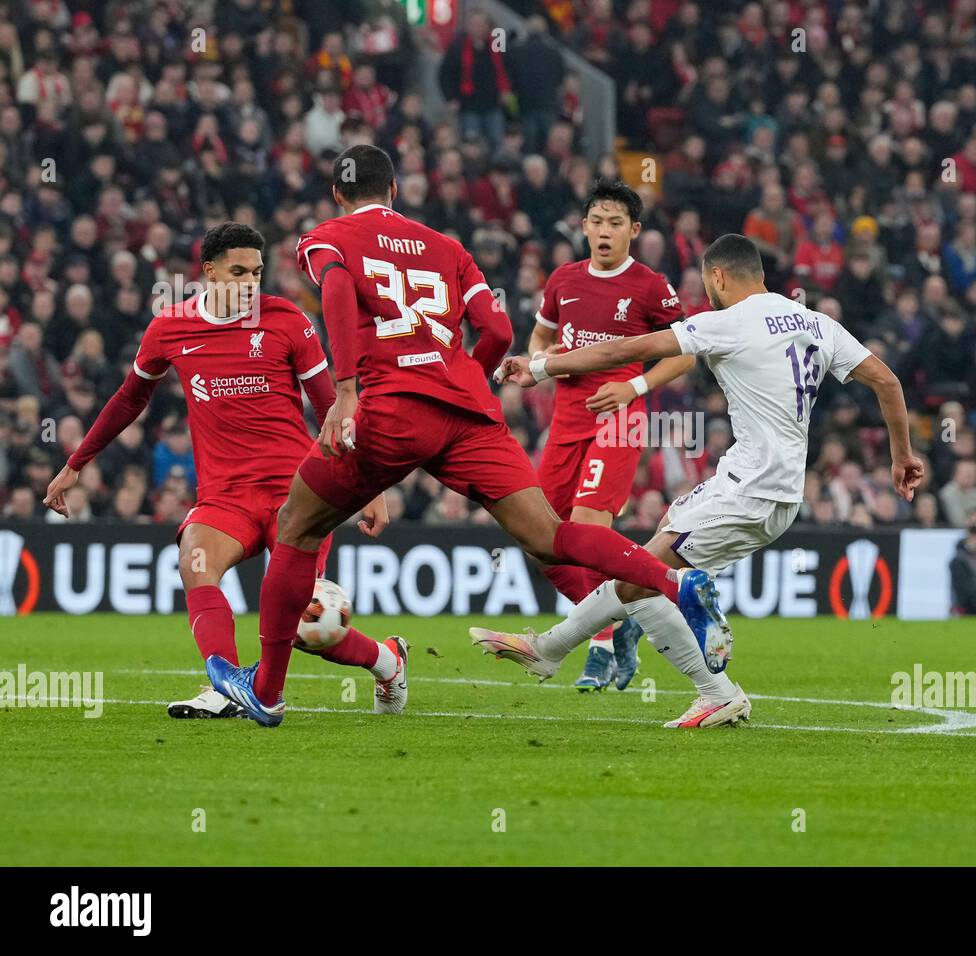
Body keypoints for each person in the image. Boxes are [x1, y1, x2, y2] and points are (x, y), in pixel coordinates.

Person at [205, 145, 718, 727]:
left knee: (296, 525)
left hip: (393, 408)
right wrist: (466, 378)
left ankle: (267, 691)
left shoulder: (325, 238)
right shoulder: (447, 247)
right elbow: (497, 328)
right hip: (468, 411)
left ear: (338, 196)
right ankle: (675, 582)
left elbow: (340, 293)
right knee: (551, 536)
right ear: (395, 192)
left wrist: (346, 391)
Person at [478, 234, 924, 728]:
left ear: (717, 277)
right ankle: (570, 646)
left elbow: (630, 348)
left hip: (749, 488)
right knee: (641, 568)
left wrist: (541, 366)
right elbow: (887, 381)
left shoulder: (726, 322)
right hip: (772, 489)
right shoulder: (817, 323)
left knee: (640, 575)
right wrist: (900, 454)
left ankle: (605, 659)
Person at [43, 223, 407, 719]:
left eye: (257, 272)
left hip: (297, 495)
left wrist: (370, 486)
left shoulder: (287, 321)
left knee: (305, 626)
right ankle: (226, 685)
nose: (250, 283)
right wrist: (74, 465)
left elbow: (332, 405)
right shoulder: (170, 328)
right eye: (238, 272)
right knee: (195, 561)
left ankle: (387, 660)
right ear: (208, 272)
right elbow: (129, 400)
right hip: (225, 498)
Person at [527, 178, 694, 691]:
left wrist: (634, 386)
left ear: (633, 231)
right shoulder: (563, 280)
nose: (604, 231)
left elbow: (685, 352)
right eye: (596, 221)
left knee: (587, 526)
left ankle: (597, 645)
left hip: (620, 420)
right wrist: (539, 363)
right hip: (567, 420)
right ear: (583, 227)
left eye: (615, 223)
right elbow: (542, 336)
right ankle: (619, 621)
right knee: (539, 539)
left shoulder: (649, 286)